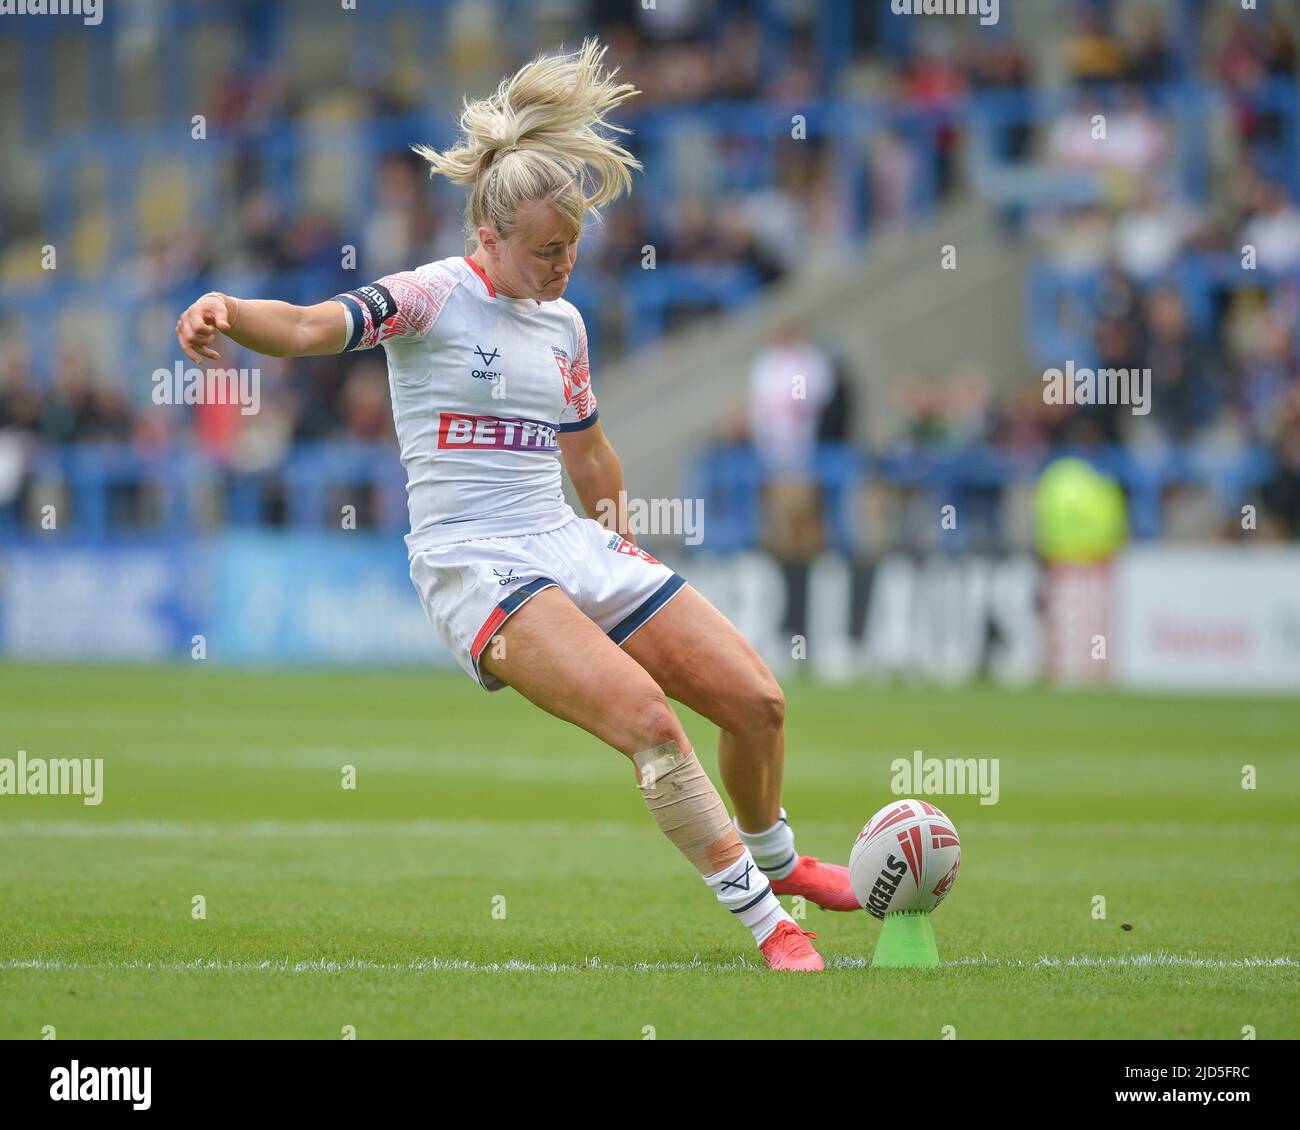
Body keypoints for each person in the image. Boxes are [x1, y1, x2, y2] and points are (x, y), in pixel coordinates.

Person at [174, 38, 857, 971]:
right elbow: (305, 326)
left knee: (758, 702)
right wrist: (224, 306)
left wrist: (621, 542)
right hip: (475, 561)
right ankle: (769, 925)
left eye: (574, 248)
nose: (564, 265)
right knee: (652, 725)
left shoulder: (565, 324)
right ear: (487, 237)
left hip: (571, 541)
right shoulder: (428, 298)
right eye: (547, 251)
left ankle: (780, 861)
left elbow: (592, 452)